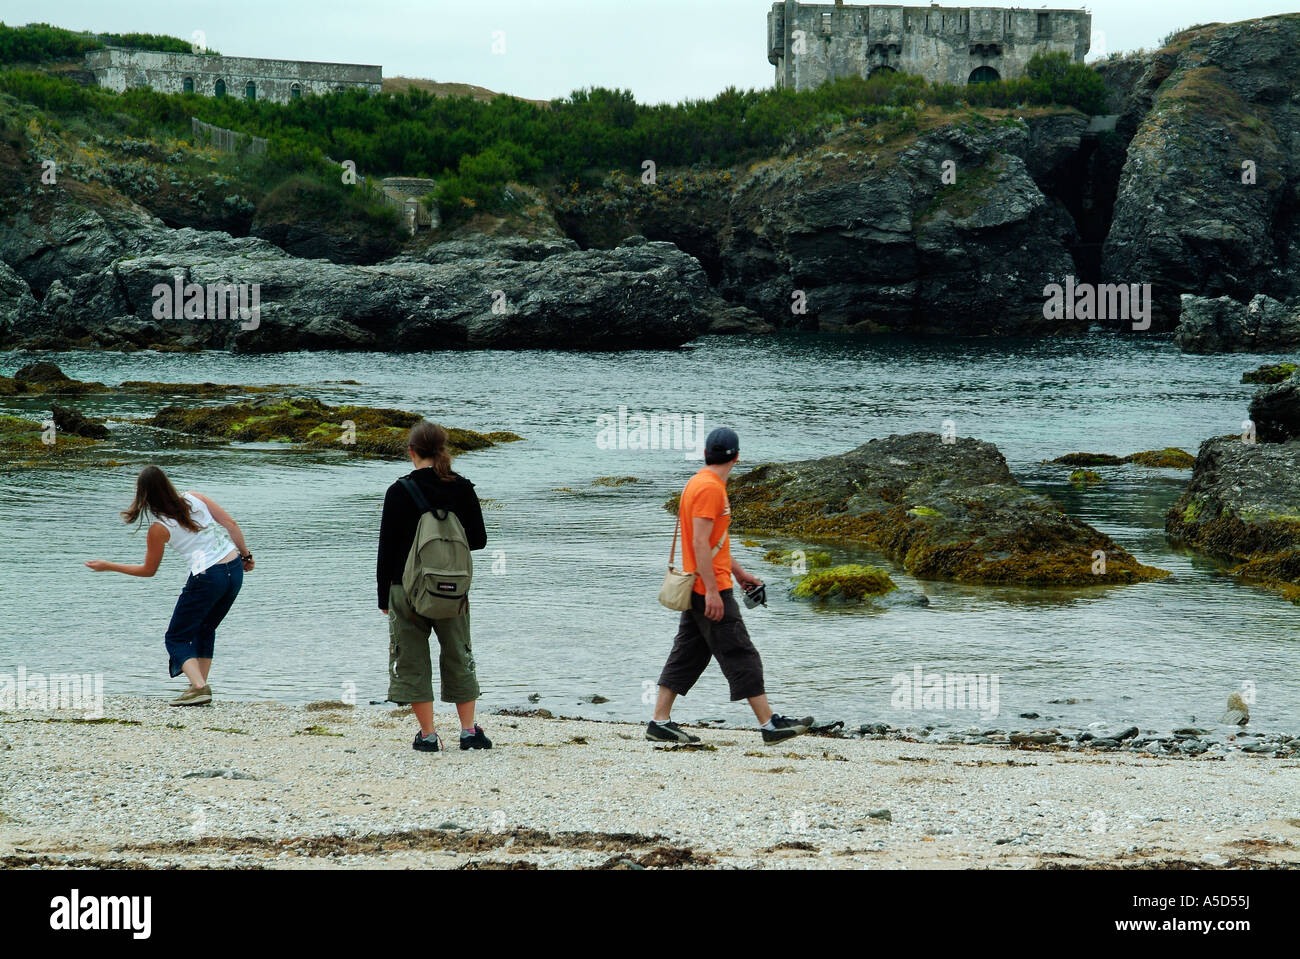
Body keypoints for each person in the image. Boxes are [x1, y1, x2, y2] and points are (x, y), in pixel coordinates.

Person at [648, 427, 814, 745]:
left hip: (704, 582)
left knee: (688, 654)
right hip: (707, 587)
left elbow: (712, 543)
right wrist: (713, 591)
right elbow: (698, 543)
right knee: (741, 653)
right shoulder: (711, 489)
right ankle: (769, 725)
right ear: (737, 457)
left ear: (706, 453)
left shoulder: (698, 482)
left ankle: (659, 722)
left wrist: (739, 573)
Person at [86, 466, 252, 706]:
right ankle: (197, 689)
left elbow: (148, 571)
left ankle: (199, 686)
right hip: (234, 568)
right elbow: (230, 523)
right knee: (205, 629)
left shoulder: (159, 528)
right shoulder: (195, 498)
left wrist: (108, 565)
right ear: (167, 483)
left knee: (176, 637)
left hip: (207, 576)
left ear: (144, 496)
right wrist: (245, 556)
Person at [377, 421, 490, 753]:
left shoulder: (399, 490)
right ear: (443, 450)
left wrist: (384, 595)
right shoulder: (463, 488)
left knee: (411, 659)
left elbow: (386, 549)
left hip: (404, 588)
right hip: (452, 592)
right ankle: (469, 732)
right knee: (459, 654)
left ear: (411, 452)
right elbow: (479, 540)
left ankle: (428, 736)